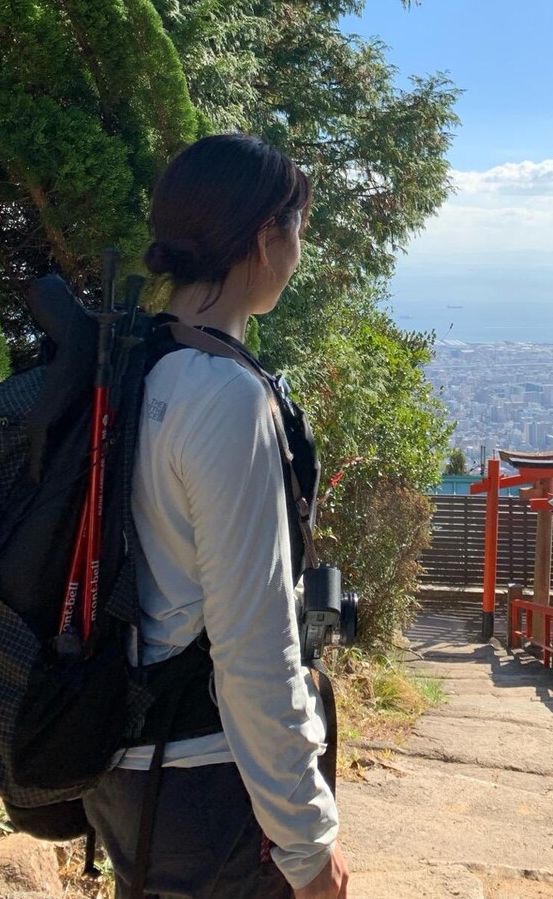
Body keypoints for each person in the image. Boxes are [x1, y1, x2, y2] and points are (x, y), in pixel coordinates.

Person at [82, 133, 350, 899]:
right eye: (297, 231)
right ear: (265, 237)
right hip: (205, 785)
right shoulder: (225, 398)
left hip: (122, 768)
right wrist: (307, 843)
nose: (297, 253)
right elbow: (252, 645)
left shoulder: (134, 361)